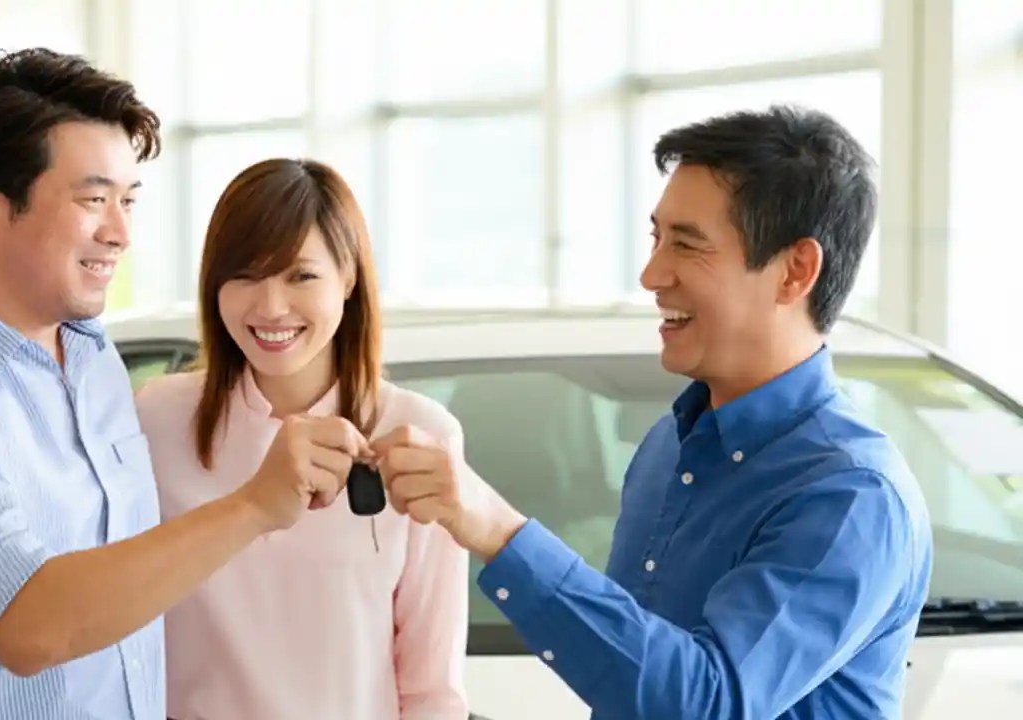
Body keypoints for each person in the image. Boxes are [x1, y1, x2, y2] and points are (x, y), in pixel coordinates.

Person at [0, 49, 365, 720]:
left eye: (127, 201)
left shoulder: (89, 357)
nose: (119, 233)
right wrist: (253, 506)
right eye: (93, 200)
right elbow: (29, 625)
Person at [375, 105, 933, 719]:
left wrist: (496, 528)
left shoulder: (853, 495)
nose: (650, 274)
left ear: (795, 271)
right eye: (656, 237)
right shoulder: (670, 444)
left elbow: (703, 704)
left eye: (687, 244)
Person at [135, 158, 470, 720]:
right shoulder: (158, 418)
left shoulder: (420, 435)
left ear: (349, 277)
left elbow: (432, 688)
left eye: (300, 276)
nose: (270, 307)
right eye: (244, 276)